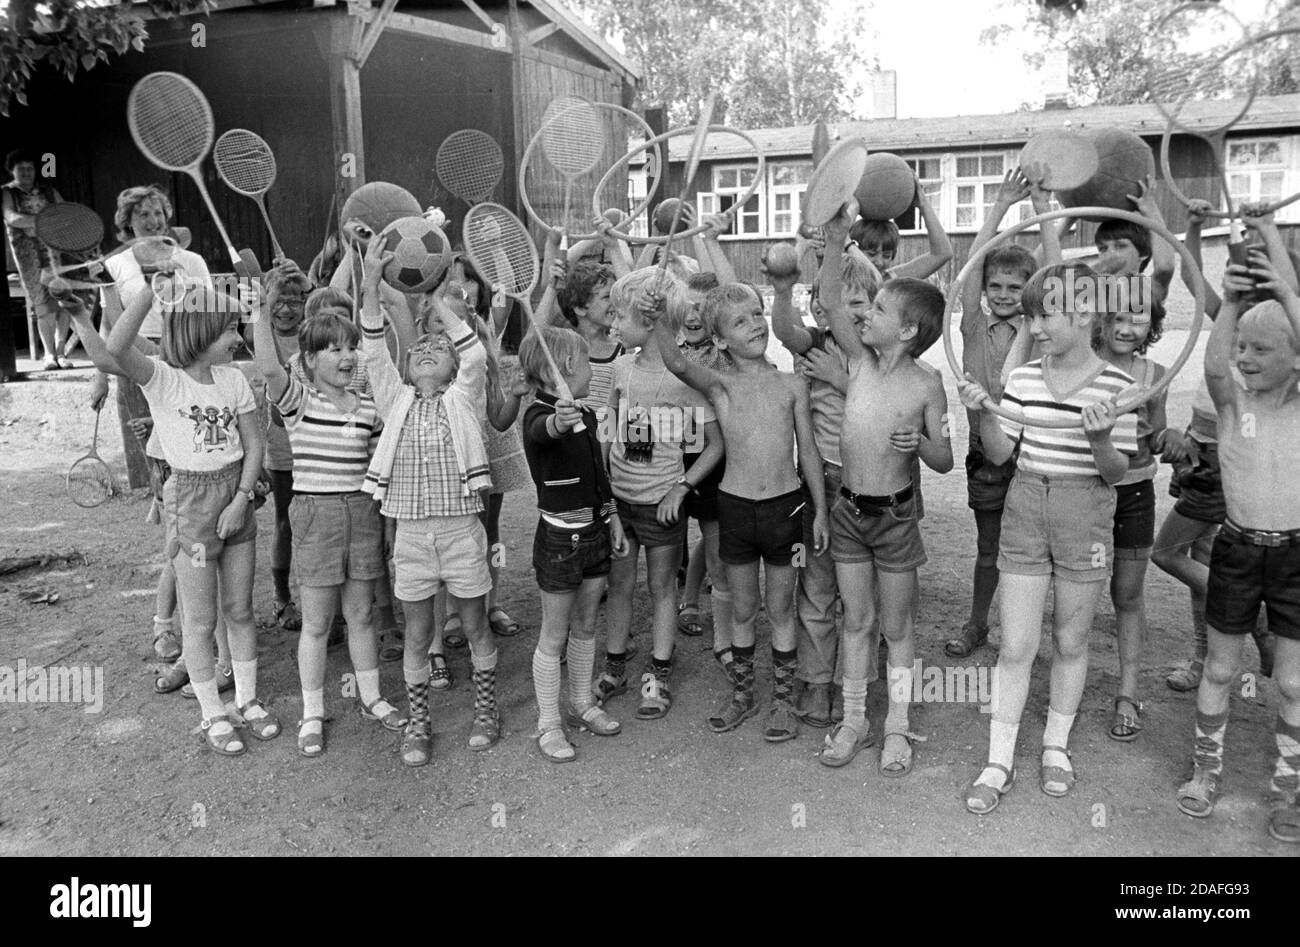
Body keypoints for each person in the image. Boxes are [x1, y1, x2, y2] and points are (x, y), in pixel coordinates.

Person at [958, 261, 1137, 813]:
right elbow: (999, 453)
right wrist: (984, 413)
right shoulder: (1023, 379)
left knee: (1071, 639)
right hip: (1027, 505)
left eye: (1044, 315)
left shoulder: (1117, 386)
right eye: (1031, 315)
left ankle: (1055, 745)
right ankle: (1000, 757)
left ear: (1084, 311)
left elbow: (1114, 473)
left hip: (1086, 510)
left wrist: (1102, 437)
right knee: (1015, 644)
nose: (1033, 327)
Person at [102, 266, 278, 756]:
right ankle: (211, 712)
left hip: (235, 495)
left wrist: (242, 499)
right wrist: (146, 295)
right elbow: (116, 349)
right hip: (192, 503)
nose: (236, 337)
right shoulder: (163, 380)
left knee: (240, 610)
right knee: (200, 621)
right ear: (199, 333)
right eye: (227, 329)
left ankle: (246, 699)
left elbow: (254, 442)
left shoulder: (234, 381)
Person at [650, 280, 828, 740]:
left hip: (787, 513)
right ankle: (745, 695)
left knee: (782, 607)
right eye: (740, 320)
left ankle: (784, 703)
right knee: (744, 608)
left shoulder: (793, 384)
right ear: (721, 339)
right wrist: (657, 319)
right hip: (735, 511)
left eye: (756, 313)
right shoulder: (720, 385)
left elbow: (808, 453)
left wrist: (821, 512)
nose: (755, 323)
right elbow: (674, 361)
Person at [1174, 229, 1300, 845]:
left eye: (1262, 348)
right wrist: (1228, 300)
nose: (1245, 357)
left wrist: (1284, 285)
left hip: (1296, 554)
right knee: (1220, 669)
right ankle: (1207, 769)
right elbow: (1215, 365)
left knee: (1295, 681)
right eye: (1242, 346)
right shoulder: (1233, 407)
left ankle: (1287, 788)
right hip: (1238, 546)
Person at [817, 201, 953, 773]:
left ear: (908, 329)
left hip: (896, 519)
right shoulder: (857, 361)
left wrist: (918, 445)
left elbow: (945, 459)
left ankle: (897, 725)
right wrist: (833, 240)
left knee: (897, 627)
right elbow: (827, 301)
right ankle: (854, 720)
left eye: (876, 308)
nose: (863, 315)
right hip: (849, 511)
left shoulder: (928, 385)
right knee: (857, 620)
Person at [253, 270, 405, 757]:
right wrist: (258, 312)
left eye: (350, 348)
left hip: (361, 512)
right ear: (309, 360)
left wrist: (384, 522)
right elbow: (269, 369)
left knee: (361, 614)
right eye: (333, 349)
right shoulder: (299, 401)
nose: (346, 357)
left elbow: (378, 472)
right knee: (317, 623)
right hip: (316, 515)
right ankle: (312, 711)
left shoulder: (367, 410)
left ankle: (372, 697)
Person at [358, 243, 496, 766]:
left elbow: (477, 354)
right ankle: (419, 721)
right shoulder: (396, 400)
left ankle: (486, 709)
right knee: (418, 631)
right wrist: (372, 285)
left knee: (475, 624)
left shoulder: (463, 397)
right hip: (414, 536)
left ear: (453, 364)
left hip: (461, 530)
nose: (425, 351)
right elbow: (374, 350)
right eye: (417, 351)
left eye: (438, 348)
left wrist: (439, 301)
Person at [1157, 199, 1276, 690]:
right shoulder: (1229, 316)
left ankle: (1255, 616)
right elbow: (1189, 275)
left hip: (1223, 461)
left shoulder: (1273, 332)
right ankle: (1202, 660)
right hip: (1200, 451)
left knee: (1167, 553)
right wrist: (1191, 226)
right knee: (1200, 559)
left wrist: (1262, 231)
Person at [594, 267, 722, 720]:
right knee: (621, 584)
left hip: (661, 506)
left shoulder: (684, 377)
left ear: (649, 322)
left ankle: (660, 671)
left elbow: (713, 445)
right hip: (620, 502)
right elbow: (608, 428)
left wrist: (681, 487)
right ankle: (615, 667)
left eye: (619, 317)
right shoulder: (620, 367)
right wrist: (601, 480)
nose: (611, 325)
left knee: (661, 586)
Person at [770, 238, 882, 727]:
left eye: (860, 302)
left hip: (876, 483)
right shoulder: (814, 343)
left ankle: (855, 684)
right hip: (825, 482)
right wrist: (782, 289)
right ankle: (816, 683)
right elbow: (785, 329)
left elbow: (885, 405)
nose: (847, 310)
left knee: (864, 594)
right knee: (817, 587)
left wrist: (841, 380)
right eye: (833, 299)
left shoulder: (881, 352)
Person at [947, 168, 1058, 658]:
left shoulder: (1038, 331)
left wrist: (1040, 204)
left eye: (1016, 287)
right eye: (997, 285)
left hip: (1031, 449)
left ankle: (1024, 631)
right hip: (986, 453)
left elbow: (1055, 274)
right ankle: (977, 623)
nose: (1004, 294)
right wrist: (1001, 202)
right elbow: (969, 267)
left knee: (1032, 549)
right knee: (989, 546)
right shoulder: (975, 324)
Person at [519, 324, 628, 762]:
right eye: (584, 363)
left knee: (586, 625)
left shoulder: (585, 414)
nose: (590, 370)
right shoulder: (538, 415)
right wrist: (558, 422)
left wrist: (612, 515)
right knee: (554, 634)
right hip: (559, 539)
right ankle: (548, 724)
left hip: (596, 534)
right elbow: (545, 431)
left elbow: (599, 476)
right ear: (564, 367)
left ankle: (581, 702)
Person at [1095, 274, 1168, 743]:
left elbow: (1157, 435)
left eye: (1137, 319)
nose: (1127, 327)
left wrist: (1169, 440)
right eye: (1117, 318)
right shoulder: (1082, 365)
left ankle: (1127, 691)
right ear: (1099, 321)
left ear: (1152, 325)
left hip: (1135, 493)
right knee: (1074, 594)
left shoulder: (1155, 374)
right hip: (1089, 492)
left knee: (1127, 595)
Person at [2, 148, 67, 370]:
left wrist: (49, 222)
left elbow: (64, 213)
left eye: (30, 168)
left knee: (63, 300)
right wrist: (44, 220)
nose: (26, 173)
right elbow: (12, 218)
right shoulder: (8, 193)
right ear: (12, 171)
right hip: (28, 255)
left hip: (56, 251)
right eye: (21, 169)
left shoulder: (48, 190)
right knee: (41, 303)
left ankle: (62, 352)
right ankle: (49, 354)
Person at [849, 171, 952, 280]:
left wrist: (923, 204)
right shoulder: (838, 276)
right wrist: (853, 208)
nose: (879, 262)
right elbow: (836, 236)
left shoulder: (888, 281)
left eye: (886, 256)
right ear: (852, 249)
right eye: (871, 254)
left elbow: (942, 253)